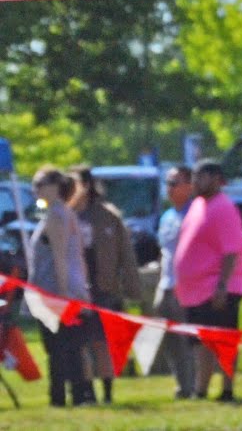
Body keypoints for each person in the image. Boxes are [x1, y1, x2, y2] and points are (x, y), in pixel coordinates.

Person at [174, 160, 242, 403]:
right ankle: (201, 388)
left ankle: (227, 390)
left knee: (224, 340)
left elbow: (231, 251)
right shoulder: (197, 205)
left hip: (217, 286)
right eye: (194, 176)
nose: (195, 181)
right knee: (200, 342)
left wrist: (222, 286)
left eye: (200, 176)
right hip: (195, 290)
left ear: (216, 179)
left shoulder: (224, 207)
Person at [69, 164, 141, 403]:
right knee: (81, 344)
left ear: (87, 185)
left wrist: (131, 287)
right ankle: (87, 391)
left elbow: (126, 255)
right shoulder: (66, 216)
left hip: (104, 287)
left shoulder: (108, 215)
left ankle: (107, 392)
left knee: (102, 343)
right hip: (76, 287)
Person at [26, 167, 95, 407]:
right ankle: (73, 395)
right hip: (57, 291)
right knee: (65, 348)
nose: (35, 190)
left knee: (60, 349)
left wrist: (64, 296)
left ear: (55, 187)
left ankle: (62, 397)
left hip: (57, 291)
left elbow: (60, 257)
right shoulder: (57, 213)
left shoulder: (57, 214)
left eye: (40, 184)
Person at [153, 165, 198, 399]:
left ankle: (195, 385)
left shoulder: (197, 214)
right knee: (170, 339)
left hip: (187, 286)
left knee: (188, 338)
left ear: (190, 186)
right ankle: (182, 384)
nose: (169, 188)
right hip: (166, 284)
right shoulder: (167, 217)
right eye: (167, 183)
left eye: (174, 183)